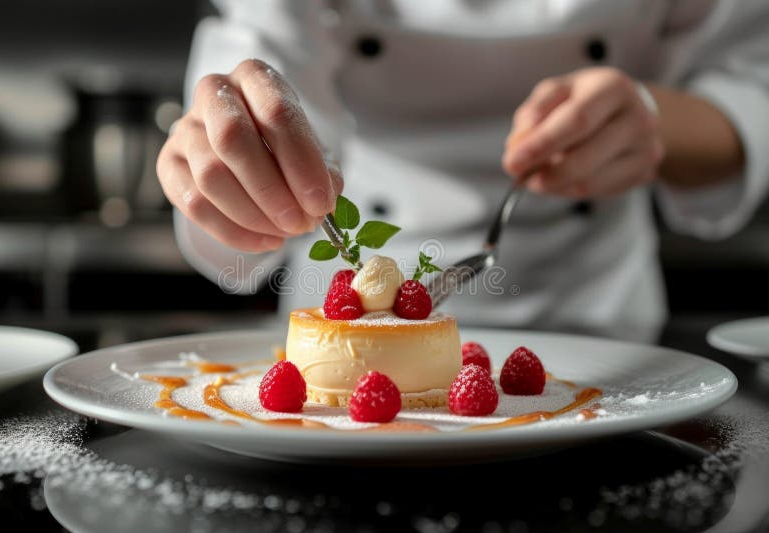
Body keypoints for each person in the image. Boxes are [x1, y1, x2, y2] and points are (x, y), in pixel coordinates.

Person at [157, 1, 769, 342]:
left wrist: (657, 121)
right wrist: (233, 164)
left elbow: (751, 83)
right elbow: (263, 64)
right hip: (345, 346)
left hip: (601, 322)